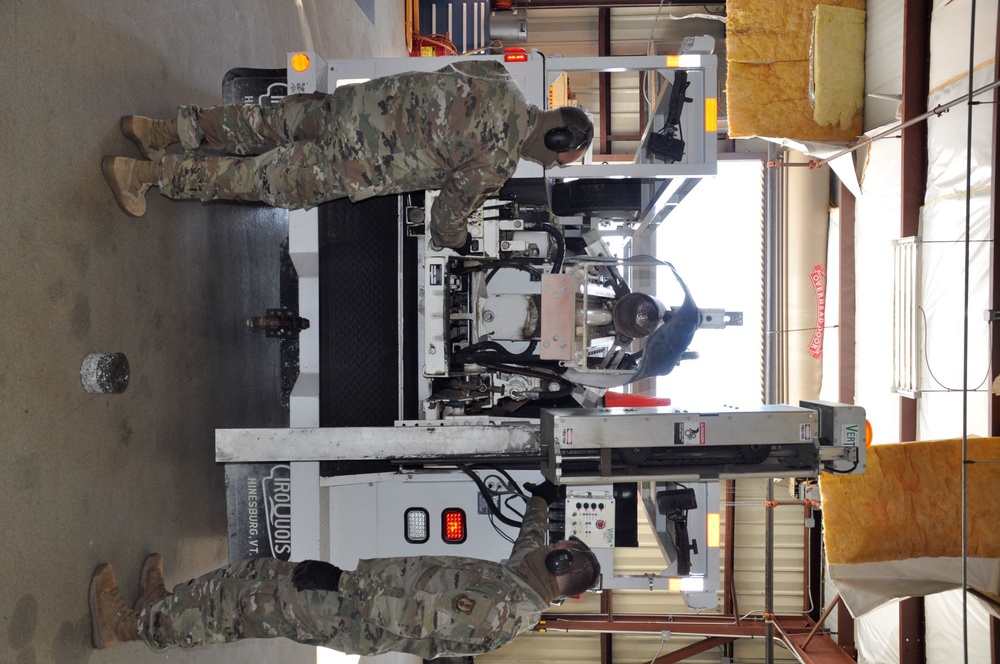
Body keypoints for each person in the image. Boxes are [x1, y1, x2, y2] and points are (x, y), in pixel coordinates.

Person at [102, 59, 593, 249]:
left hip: (350, 107)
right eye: (558, 159)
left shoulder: (498, 77)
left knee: (257, 124)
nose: (550, 165)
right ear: (556, 142)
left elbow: (444, 76)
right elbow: (445, 220)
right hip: (350, 163)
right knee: (253, 179)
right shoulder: (500, 161)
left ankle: (158, 128)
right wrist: (462, 243)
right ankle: (142, 174)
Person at [89, 481, 600, 658]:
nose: (551, 543)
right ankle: (162, 604)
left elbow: (414, 618)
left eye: (560, 546)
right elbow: (529, 548)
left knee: (239, 604)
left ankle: (134, 627)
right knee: (250, 579)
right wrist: (539, 502)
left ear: (562, 562)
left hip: (351, 611)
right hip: (352, 598)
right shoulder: (522, 584)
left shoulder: (505, 612)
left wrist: (343, 582)